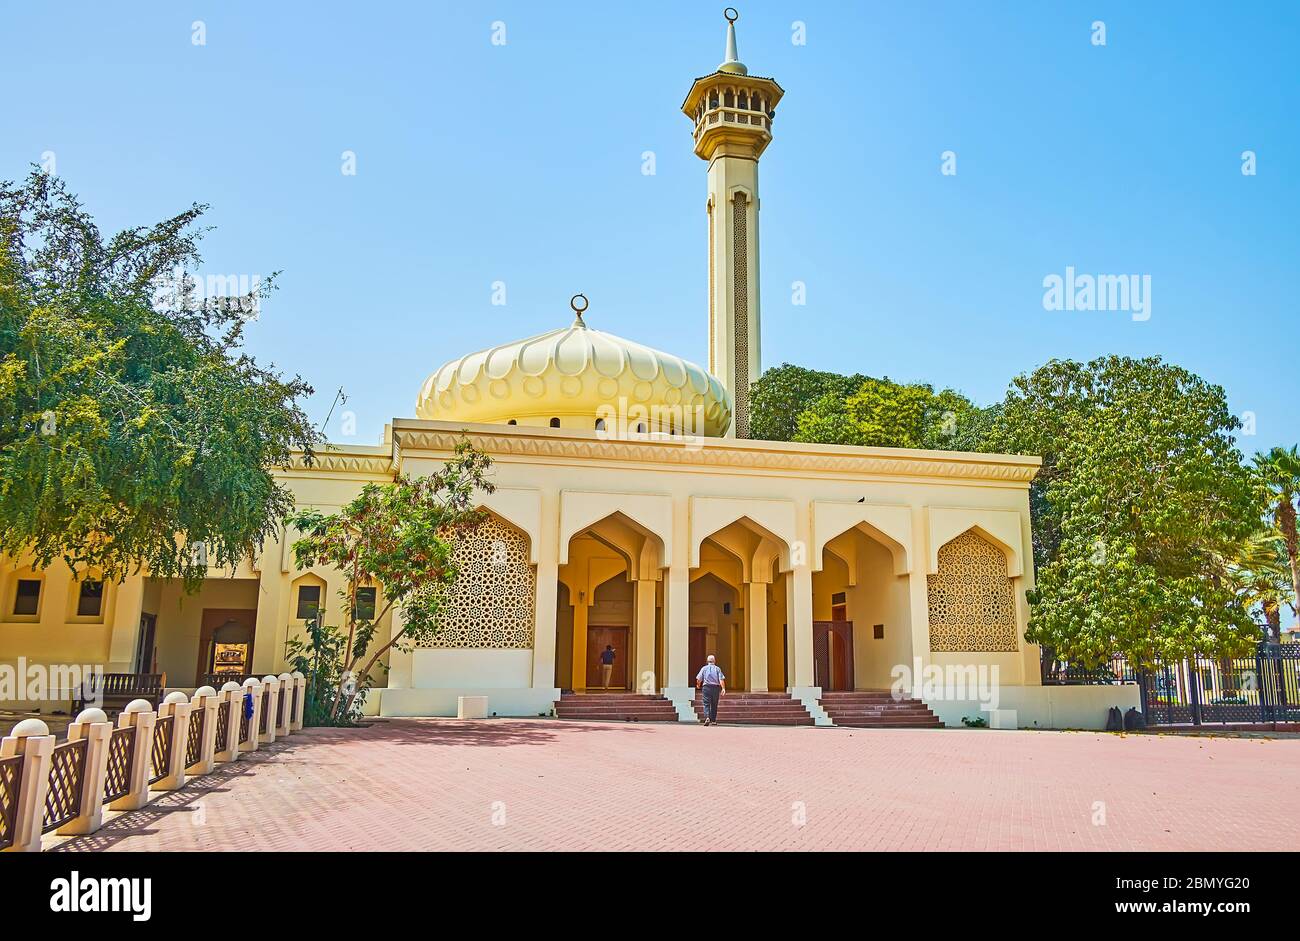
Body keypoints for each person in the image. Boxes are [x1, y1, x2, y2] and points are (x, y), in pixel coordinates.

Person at [695, 654, 726, 726]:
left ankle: (707, 717)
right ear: (714, 661)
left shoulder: (704, 668)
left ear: (707, 661)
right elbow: (721, 679)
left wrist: (698, 685)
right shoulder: (717, 669)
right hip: (715, 688)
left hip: (706, 687)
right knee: (714, 704)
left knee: (706, 703)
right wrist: (723, 688)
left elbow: (699, 679)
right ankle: (714, 720)